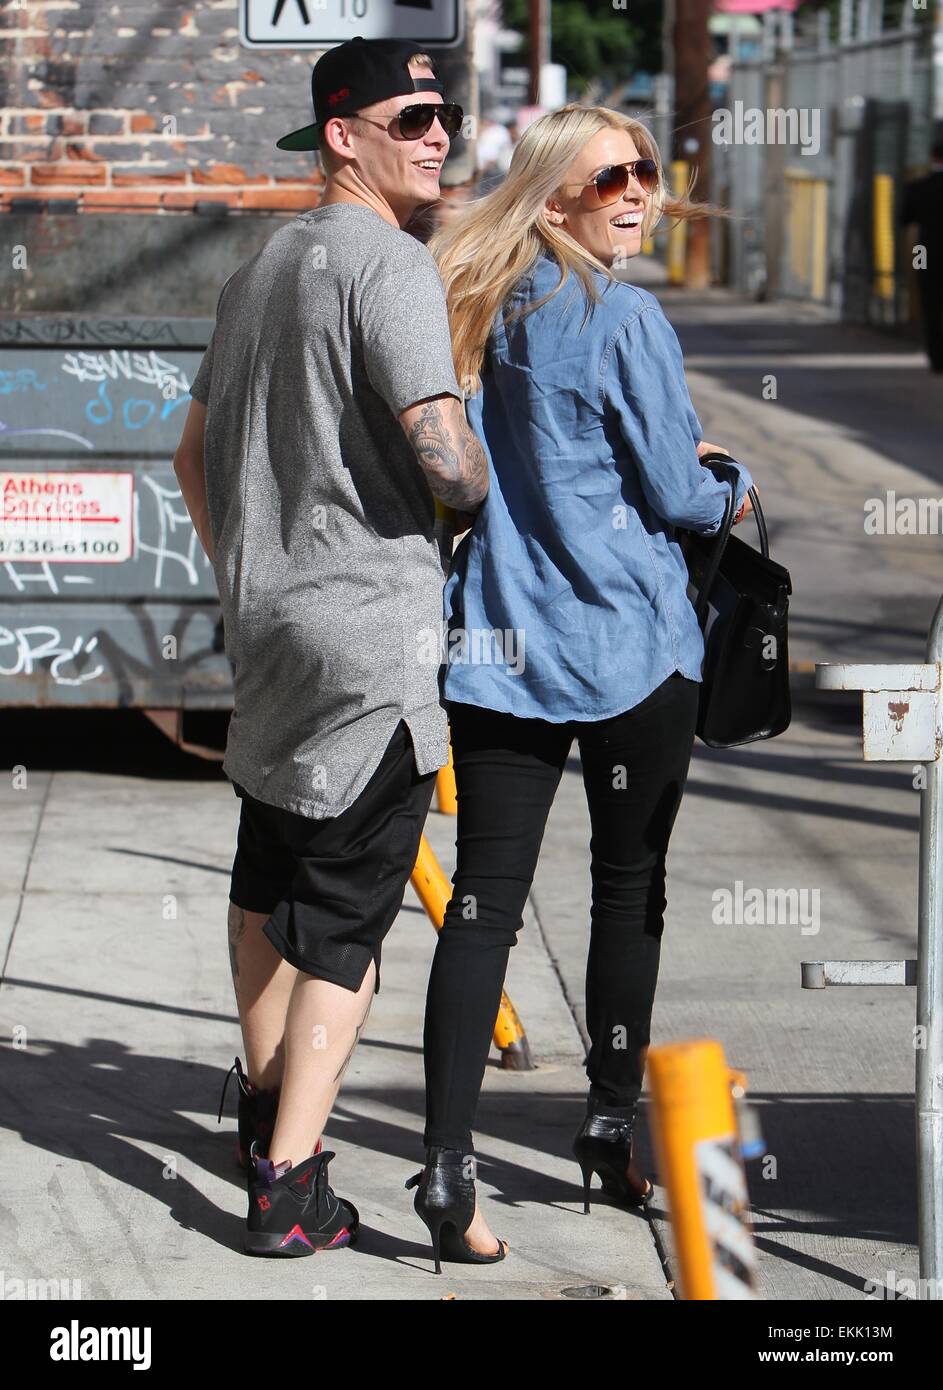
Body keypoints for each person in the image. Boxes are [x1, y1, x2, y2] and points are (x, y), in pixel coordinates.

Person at [406, 103, 753, 1271]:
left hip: (499, 646)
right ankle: (608, 1124)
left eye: (646, 173)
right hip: (625, 648)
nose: (639, 193)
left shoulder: (477, 301)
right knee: (627, 885)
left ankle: (446, 1165)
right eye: (612, 179)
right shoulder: (623, 315)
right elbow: (676, 492)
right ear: (555, 196)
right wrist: (730, 481)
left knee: (481, 905)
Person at [172, 36, 488, 1258]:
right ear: (341, 137)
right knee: (345, 928)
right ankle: (290, 1185)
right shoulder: (389, 267)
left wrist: (252, 572)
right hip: (369, 646)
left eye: (445, 115)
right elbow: (444, 459)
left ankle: (263, 1112)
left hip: (271, 635)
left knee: (268, 883)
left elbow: (193, 456)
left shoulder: (261, 266)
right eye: (412, 117)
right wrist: (481, 488)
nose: (439, 136)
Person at [900, 135, 943, 373]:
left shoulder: (919, 186)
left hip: (926, 252)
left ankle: (937, 359)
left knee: (931, 306)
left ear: (932, 158)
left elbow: (904, 219)